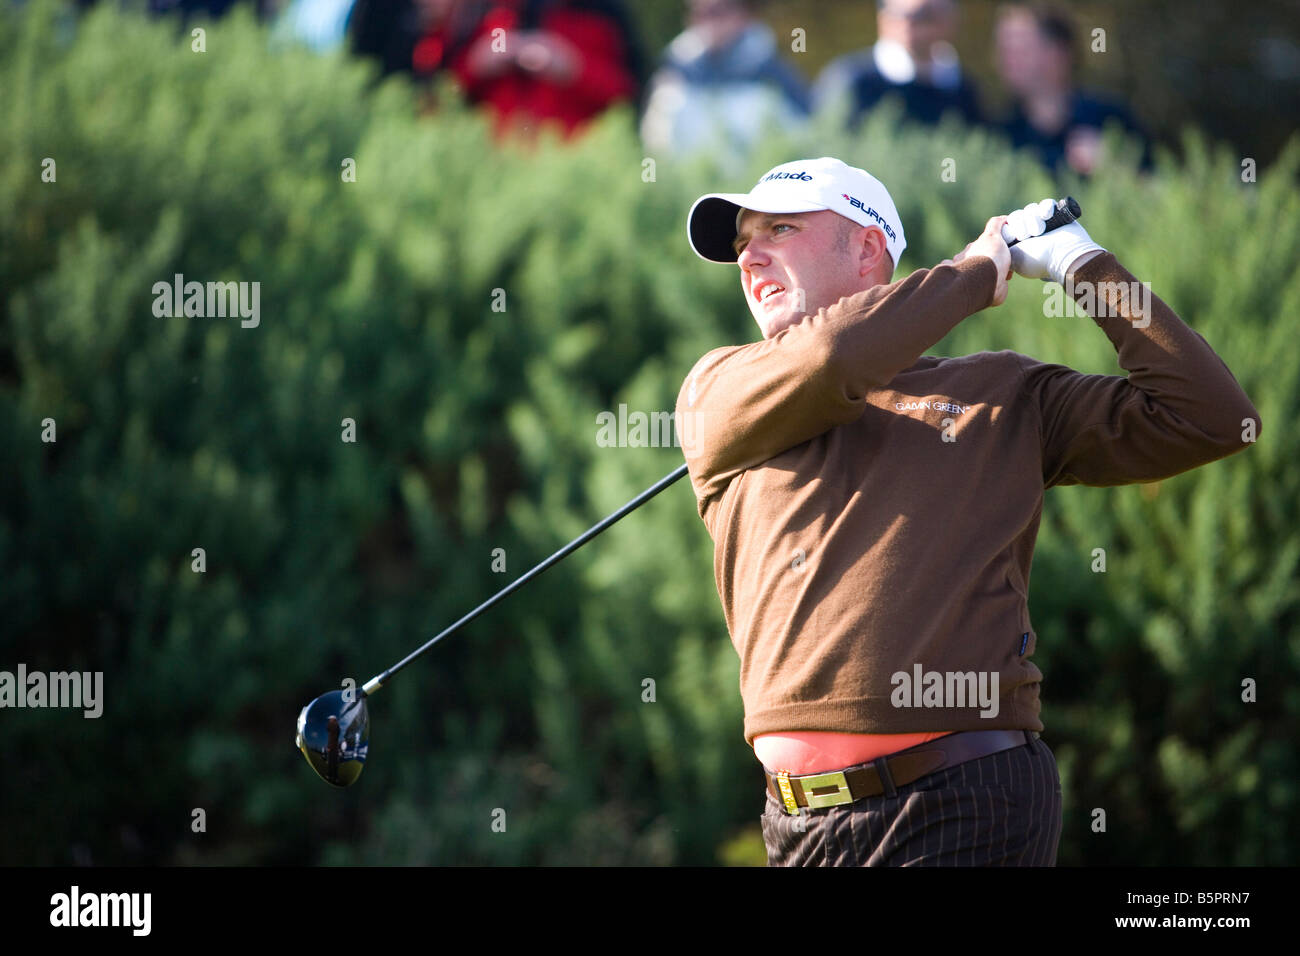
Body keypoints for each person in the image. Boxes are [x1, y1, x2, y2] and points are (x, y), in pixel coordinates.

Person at [676, 157, 1260, 866]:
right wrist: (976, 272)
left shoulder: (1000, 393)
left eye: (780, 228)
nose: (751, 255)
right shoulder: (719, 389)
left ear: (867, 250)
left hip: (964, 800)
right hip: (799, 825)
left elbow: (1211, 419)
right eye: (741, 243)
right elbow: (830, 356)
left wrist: (1086, 266)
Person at [640, 0, 810, 166]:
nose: (709, 21)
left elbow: (804, 138)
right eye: (699, 12)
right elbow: (656, 147)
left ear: (743, 14)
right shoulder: (673, 75)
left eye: (718, 11)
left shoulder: (773, 74)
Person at [994, 3, 1150, 176]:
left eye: (1020, 49)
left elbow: (1165, 190)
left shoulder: (1111, 121)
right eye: (1003, 49)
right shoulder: (998, 137)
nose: (1007, 60)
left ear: (1058, 54)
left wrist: (1112, 166)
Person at [814, 0, 982, 130]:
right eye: (902, 15)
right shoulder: (852, 80)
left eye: (925, 16)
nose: (908, 24)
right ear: (884, 20)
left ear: (948, 21)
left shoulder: (962, 88)